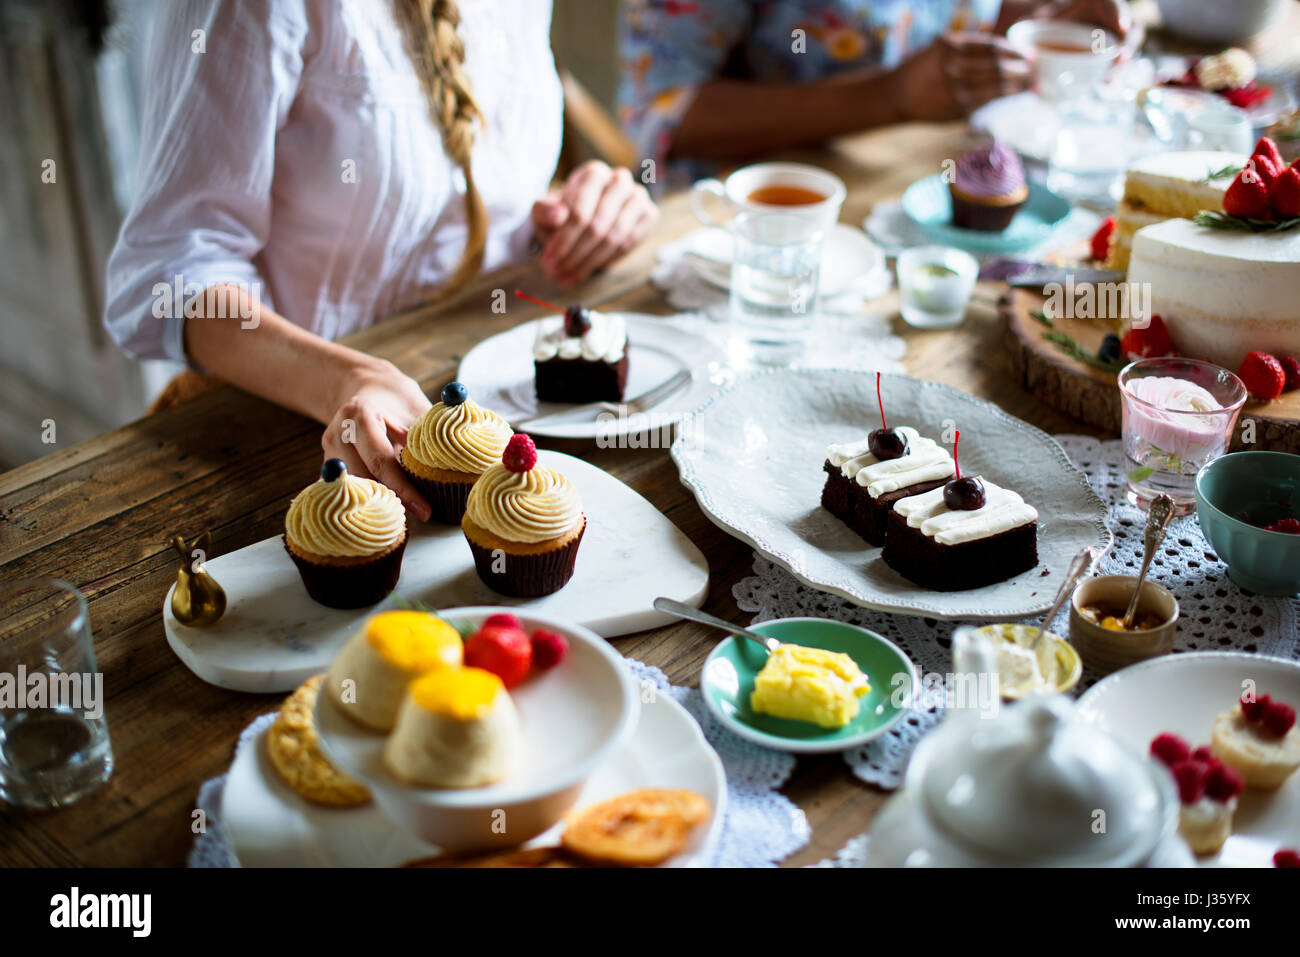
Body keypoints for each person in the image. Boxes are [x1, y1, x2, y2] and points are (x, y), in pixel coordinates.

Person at [104, 0, 657, 521]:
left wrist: (576, 218)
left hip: (496, 396)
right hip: (276, 440)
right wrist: (343, 377)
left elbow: (476, 202)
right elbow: (167, 273)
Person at [618, 0, 1132, 174]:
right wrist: (891, 97)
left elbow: (971, 18)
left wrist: (1048, 18)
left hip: (916, 187)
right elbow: (660, 113)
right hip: (749, 223)